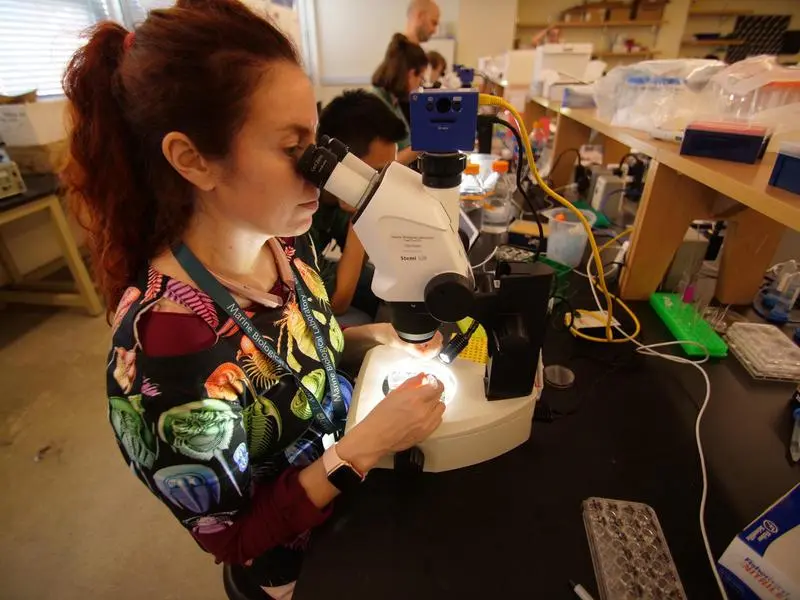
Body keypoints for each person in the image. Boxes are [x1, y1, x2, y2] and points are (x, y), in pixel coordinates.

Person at [60, 2, 445, 599]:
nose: (321, 172)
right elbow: (236, 539)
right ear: (193, 160)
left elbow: (301, 352)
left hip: (360, 483)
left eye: (317, 139)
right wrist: (363, 446)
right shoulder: (169, 347)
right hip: (294, 560)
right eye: (294, 148)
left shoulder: (286, 243)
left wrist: (381, 339)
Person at [310, 90, 407, 323]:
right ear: (339, 165)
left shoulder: (334, 197)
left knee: (377, 282)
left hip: (324, 273)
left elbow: (360, 258)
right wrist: (361, 214)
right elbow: (338, 301)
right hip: (301, 299)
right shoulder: (302, 209)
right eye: (378, 172)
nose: (384, 183)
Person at [371, 33, 428, 165]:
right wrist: (424, 145)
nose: (420, 83)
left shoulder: (393, 100)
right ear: (410, 74)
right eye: (421, 77)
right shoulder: (377, 105)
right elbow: (383, 165)